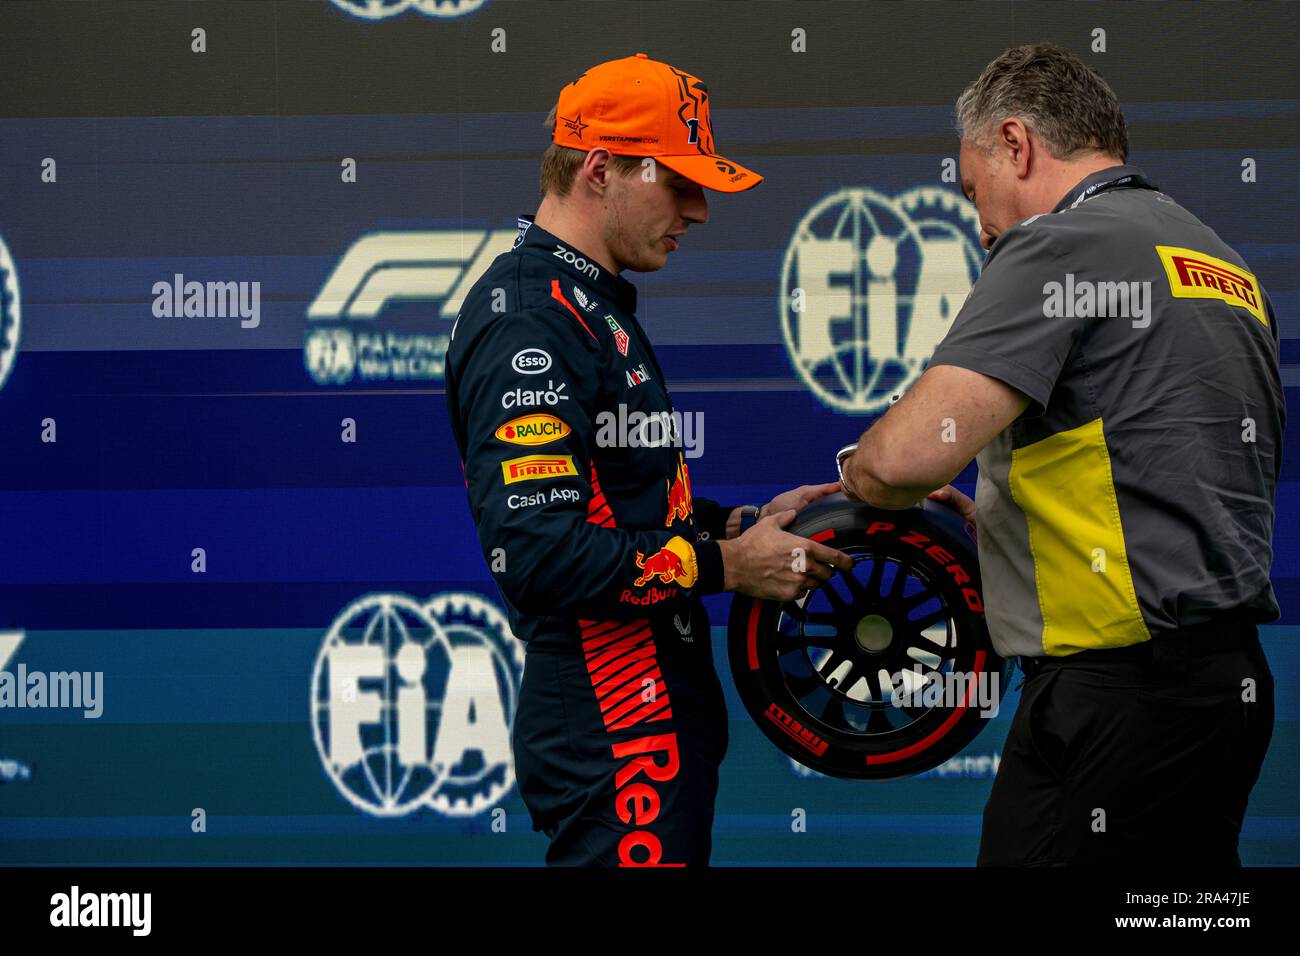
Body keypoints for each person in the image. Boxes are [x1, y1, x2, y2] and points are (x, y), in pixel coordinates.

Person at [836, 42, 1282, 865]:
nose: (979, 223)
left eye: (975, 191)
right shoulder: (1219, 260)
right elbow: (1147, 460)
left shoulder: (1057, 247)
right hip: (1226, 691)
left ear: (1017, 143)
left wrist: (857, 480)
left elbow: (902, 461)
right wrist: (1011, 524)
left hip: (1117, 702)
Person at [445, 53, 851, 867]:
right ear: (600, 169)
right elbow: (537, 551)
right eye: (677, 182)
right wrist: (727, 565)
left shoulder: (586, 305)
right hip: (610, 716)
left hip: (649, 710)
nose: (699, 210)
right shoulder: (531, 320)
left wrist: (737, 525)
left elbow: (617, 504)